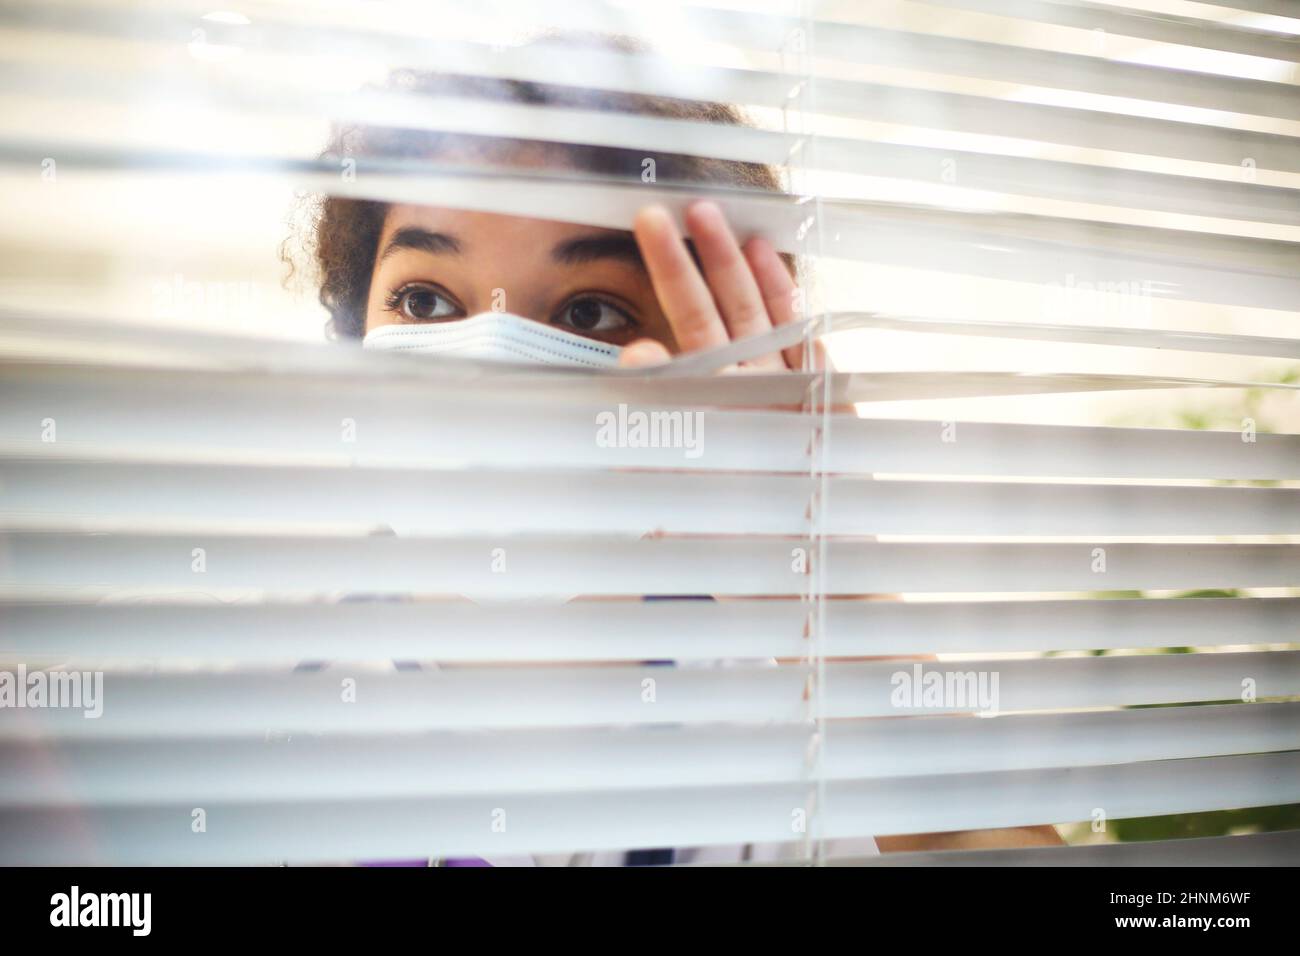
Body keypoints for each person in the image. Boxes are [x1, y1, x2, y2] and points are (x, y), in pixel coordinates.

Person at [292, 39, 1062, 863]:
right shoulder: (241, 688)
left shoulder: (797, 737)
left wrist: (838, 610)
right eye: (424, 299)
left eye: (589, 313)